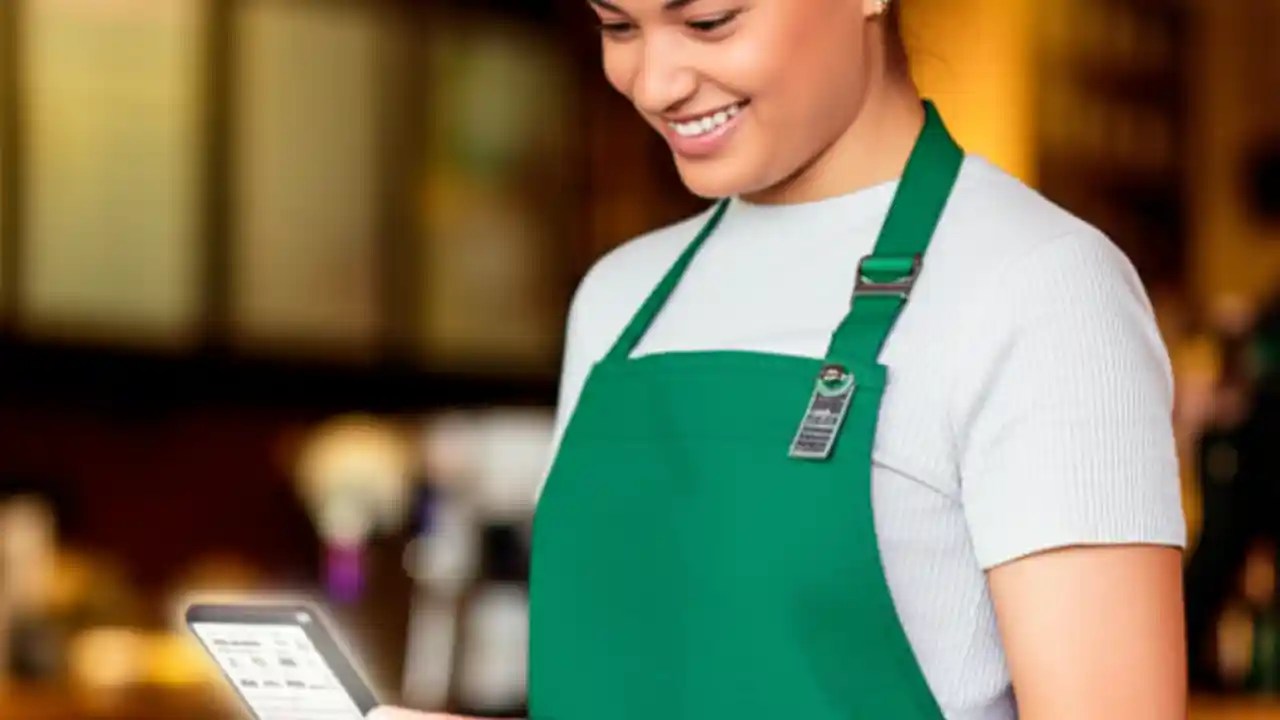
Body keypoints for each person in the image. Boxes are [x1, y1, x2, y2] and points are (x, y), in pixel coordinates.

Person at [371, 0, 1188, 717]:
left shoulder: (1039, 287)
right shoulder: (617, 301)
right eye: (617, 26)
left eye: (707, 22)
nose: (654, 84)